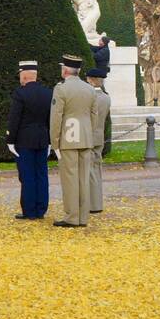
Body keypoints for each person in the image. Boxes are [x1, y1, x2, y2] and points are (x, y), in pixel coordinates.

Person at [49, 54, 96, 228]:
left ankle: (72, 216)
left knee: (70, 179)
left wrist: (55, 142)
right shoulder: (90, 88)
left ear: (65, 70)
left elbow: (56, 117)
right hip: (85, 137)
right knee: (83, 179)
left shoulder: (61, 89)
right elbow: (94, 115)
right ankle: (83, 216)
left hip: (68, 138)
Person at [7, 60, 52, 220]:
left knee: (27, 175)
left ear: (24, 76)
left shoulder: (20, 93)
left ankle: (29, 210)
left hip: (24, 140)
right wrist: (50, 139)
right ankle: (41, 208)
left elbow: (15, 118)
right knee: (41, 174)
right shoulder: (47, 92)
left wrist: (10, 139)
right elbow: (49, 118)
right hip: (42, 139)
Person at [86, 67, 111, 215]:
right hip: (99, 136)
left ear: (91, 79)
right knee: (96, 170)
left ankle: (93, 204)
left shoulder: (91, 97)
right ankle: (96, 202)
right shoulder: (106, 97)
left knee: (90, 172)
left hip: (89, 136)